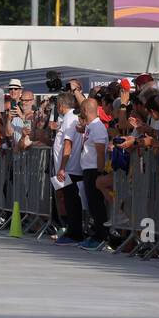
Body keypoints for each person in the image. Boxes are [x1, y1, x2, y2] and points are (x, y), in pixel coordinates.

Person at [51, 91, 85, 246]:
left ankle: (75, 233)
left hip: (70, 167)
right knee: (70, 201)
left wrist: (62, 167)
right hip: (71, 167)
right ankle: (73, 231)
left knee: (72, 202)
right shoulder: (71, 118)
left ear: (60, 106)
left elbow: (67, 143)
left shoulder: (69, 118)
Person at [78, 97, 109, 251]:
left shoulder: (97, 127)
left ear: (85, 111)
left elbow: (100, 151)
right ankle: (97, 233)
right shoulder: (91, 126)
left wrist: (100, 171)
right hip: (88, 169)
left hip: (94, 169)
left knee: (97, 205)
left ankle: (101, 236)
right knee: (92, 204)